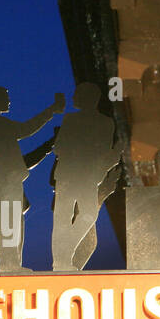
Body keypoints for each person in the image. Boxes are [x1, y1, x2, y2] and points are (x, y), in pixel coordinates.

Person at [0, 87, 62, 271]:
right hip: (5, 182)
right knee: (10, 224)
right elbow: (27, 129)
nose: (9, 101)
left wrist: (49, 144)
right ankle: (10, 265)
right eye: (5, 97)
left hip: (7, 181)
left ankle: (12, 264)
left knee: (13, 223)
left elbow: (22, 159)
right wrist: (51, 111)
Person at [50, 83, 122, 271]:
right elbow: (105, 153)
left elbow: (59, 147)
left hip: (71, 175)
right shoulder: (105, 123)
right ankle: (62, 260)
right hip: (83, 175)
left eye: (77, 95)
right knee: (81, 215)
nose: (73, 98)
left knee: (65, 218)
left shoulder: (73, 120)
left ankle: (62, 258)